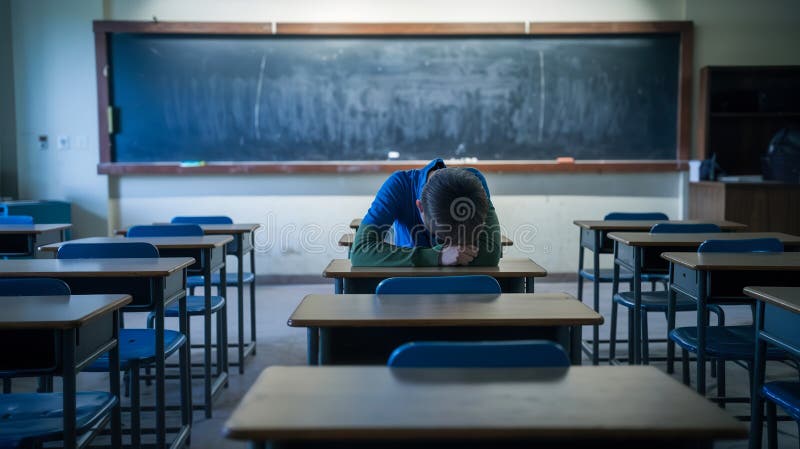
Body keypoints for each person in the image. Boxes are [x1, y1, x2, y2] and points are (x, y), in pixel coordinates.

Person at [350, 158, 501, 267]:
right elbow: (360, 252)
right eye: (441, 237)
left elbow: (491, 253)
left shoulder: (473, 185)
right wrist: (437, 256)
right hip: (409, 287)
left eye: (459, 239)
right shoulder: (398, 186)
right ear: (420, 207)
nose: (452, 246)